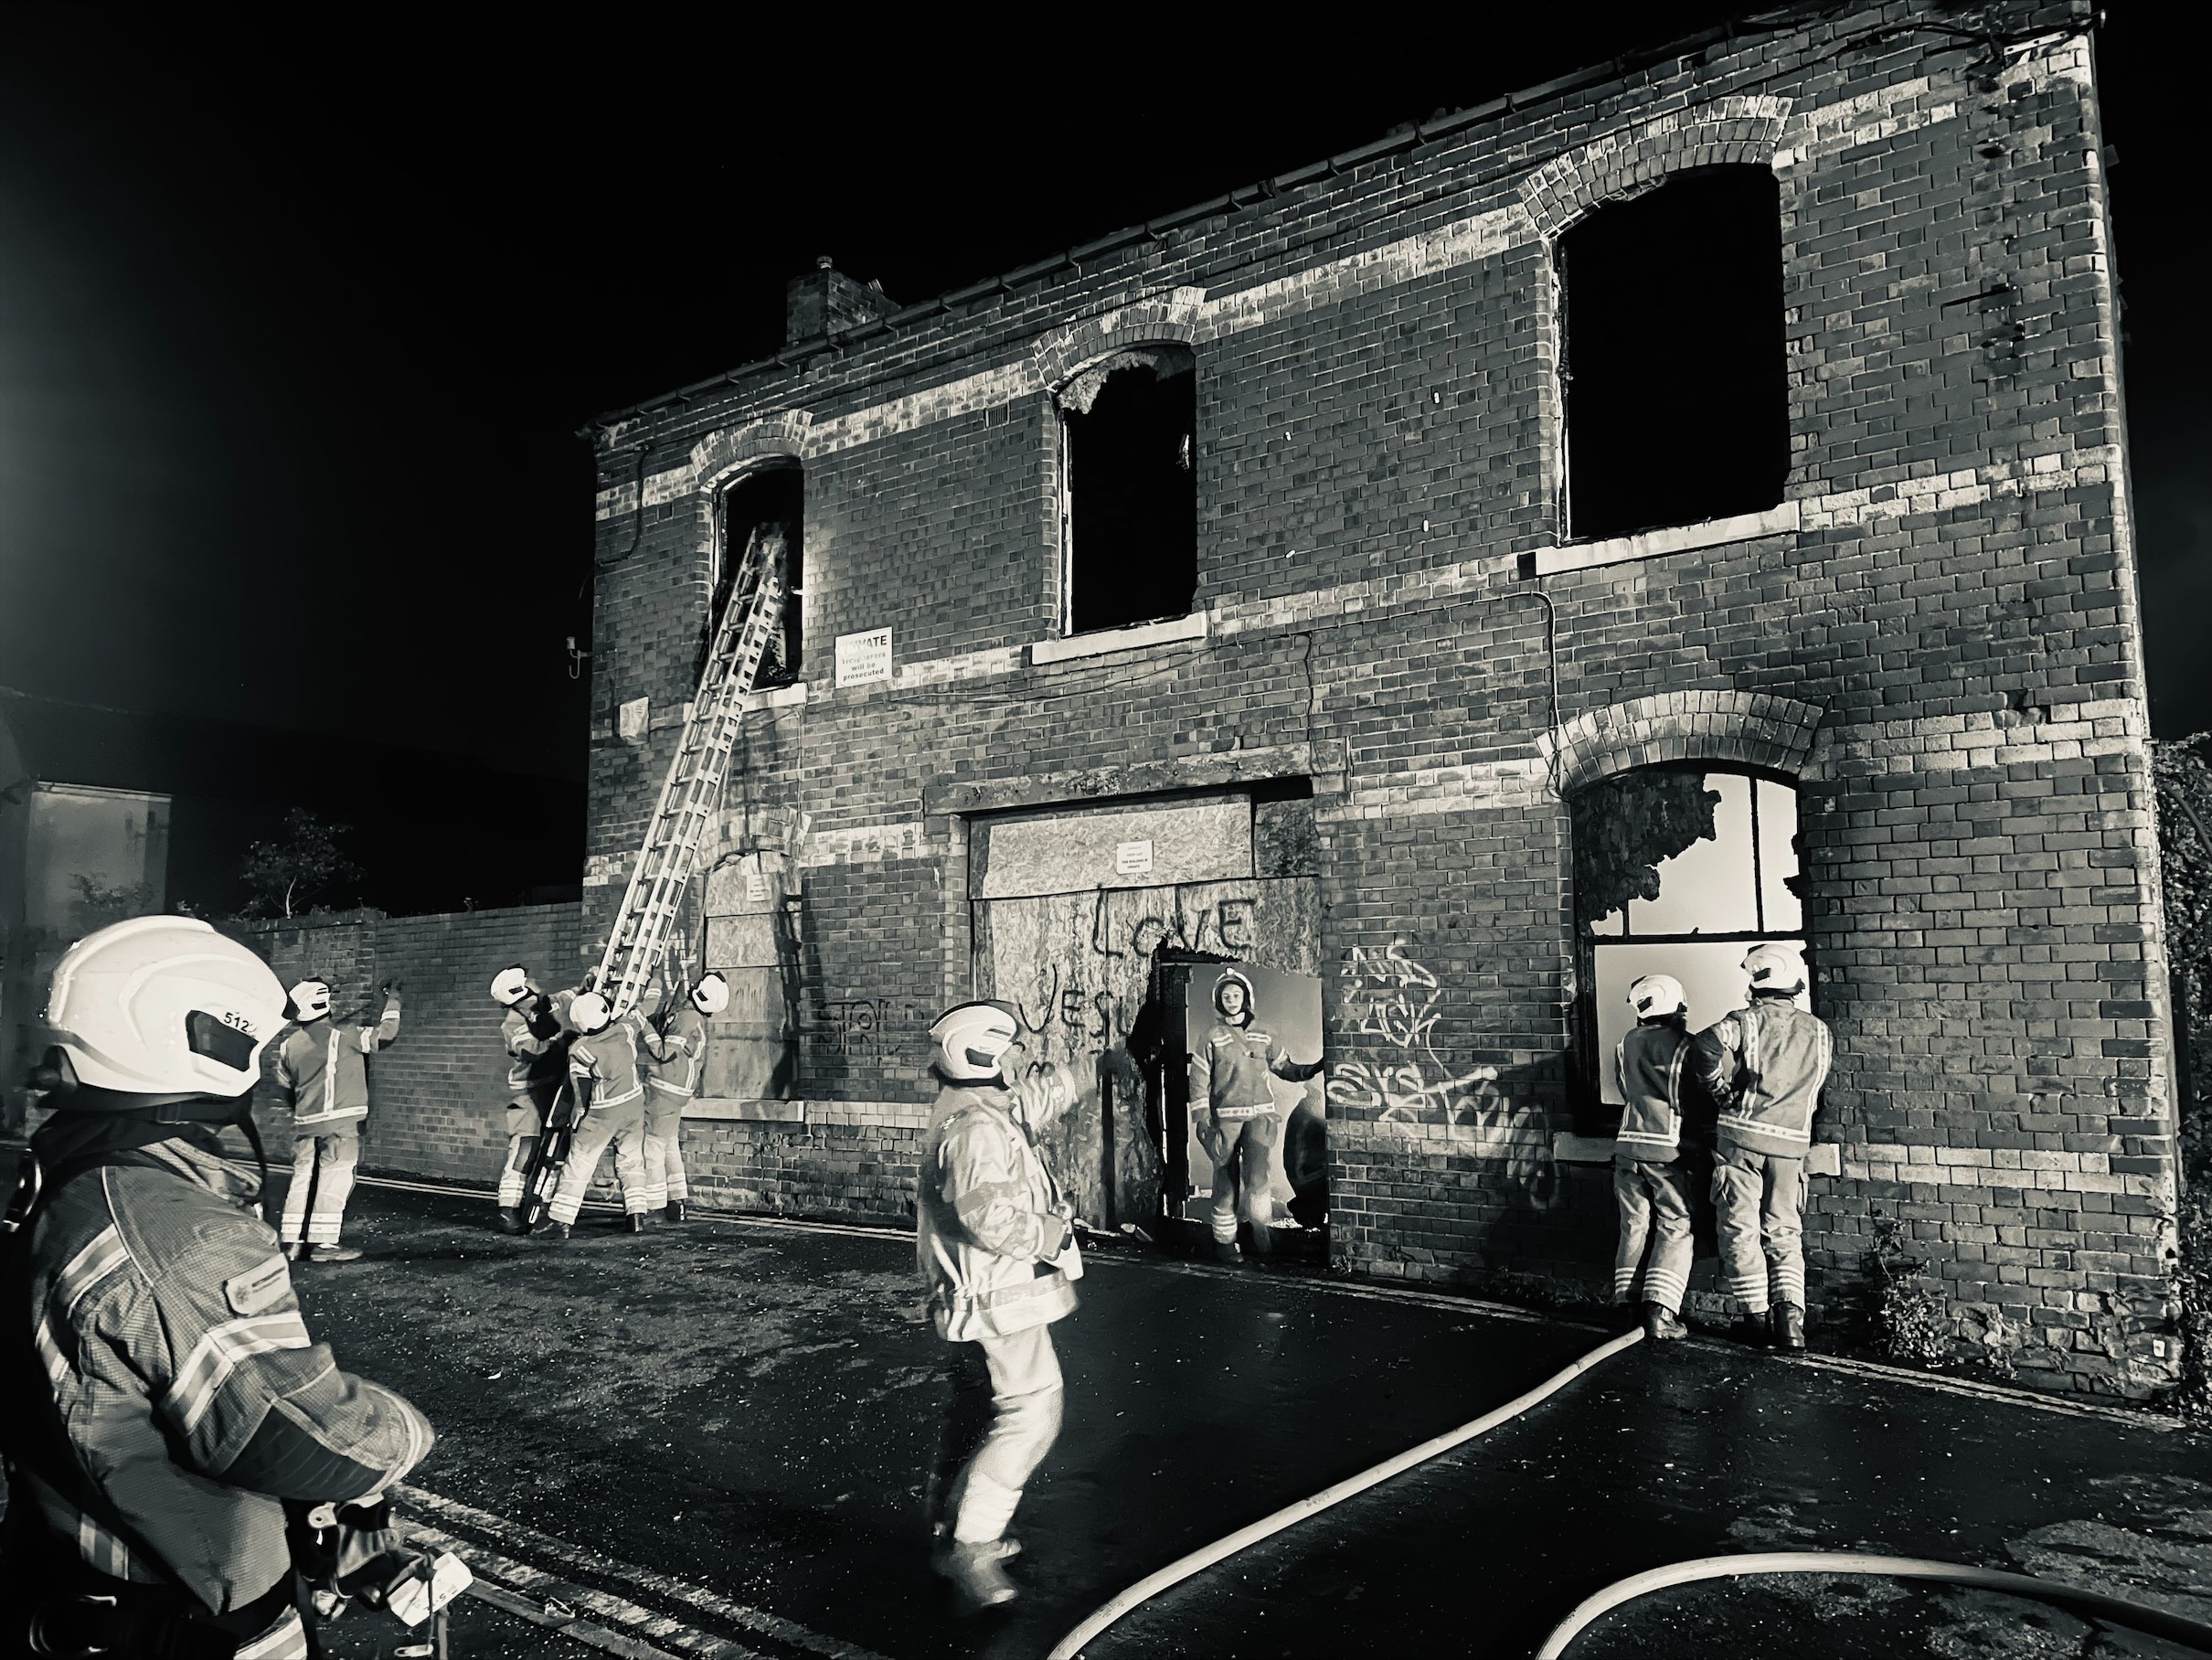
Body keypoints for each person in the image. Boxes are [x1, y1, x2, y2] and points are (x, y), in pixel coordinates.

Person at [0, 916, 439, 1657]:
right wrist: (405, 1436)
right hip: (184, 1606)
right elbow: (284, 1431)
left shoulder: (73, 1174)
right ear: (207, 1038)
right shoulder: (176, 1229)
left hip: (71, 1558)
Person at [917, 999, 1091, 1613]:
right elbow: (987, 1216)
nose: (1020, 1056)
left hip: (984, 1293)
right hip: (996, 1295)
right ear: (981, 1053)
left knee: (977, 1414)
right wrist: (1049, 1234)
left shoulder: (982, 1109)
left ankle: (956, 1529)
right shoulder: (976, 1128)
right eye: (1011, 1047)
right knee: (1032, 1413)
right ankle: (973, 1545)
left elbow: (1034, 1102)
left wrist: (1092, 1070)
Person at [1693, 943, 1834, 1350]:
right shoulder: (1820, 1032)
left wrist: (1719, 1090)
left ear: (1757, 983)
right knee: (1785, 1231)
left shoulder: (1745, 1021)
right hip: (1791, 1148)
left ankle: (1754, 1318)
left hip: (1741, 1139)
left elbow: (1704, 1047)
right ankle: (1790, 1323)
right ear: (1794, 984)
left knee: (1740, 1228)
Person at [1189, 968, 1324, 1262]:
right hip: (1225, 1120)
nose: (1232, 1000)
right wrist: (1201, 1119)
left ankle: (1262, 1239)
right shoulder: (1211, 1037)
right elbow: (1198, 1079)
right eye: (1226, 996)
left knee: (1258, 1180)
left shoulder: (1264, 1033)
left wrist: (1311, 1069)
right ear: (1219, 1001)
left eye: (1236, 995)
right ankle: (1224, 1244)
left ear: (1246, 998)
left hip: (1260, 1120)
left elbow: (1284, 1066)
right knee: (1225, 1182)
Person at [270, 974, 401, 1263]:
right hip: (342, 1127)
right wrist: (393, 1000)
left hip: (306, 1126)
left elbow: (285, 1088)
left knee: (302, 1181)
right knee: (334, 1183)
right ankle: (324, 1246)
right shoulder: (346, 1035)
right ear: (324, 1003)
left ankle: (291, 1243)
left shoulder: (288, 1046)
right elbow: (387, 1035)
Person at [1611, 973, 1694, 1341]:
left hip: (1627, 1145)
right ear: (1677, 1006)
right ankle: (1661, 1311)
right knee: (1676, 1225)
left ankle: (1626, 1308)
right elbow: (1695, 1100)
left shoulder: (1625, 1043)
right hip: (1668, 1148)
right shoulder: (1685, 1045)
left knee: (1634, 1224)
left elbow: (1625, 1089)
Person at [537, 990, 653, 1240]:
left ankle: (561, 1219)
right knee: (632, 1160)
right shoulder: (625, 1030)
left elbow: (582, 1089)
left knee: (580, 1161)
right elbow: (643, 1012)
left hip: (603, 1111)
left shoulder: (580, 1049)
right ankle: (636, 1215)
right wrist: (651, 985)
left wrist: (579, 1114)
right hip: (633, 1104)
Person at [637, 973, 726, 1222]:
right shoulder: (690, 1018)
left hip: (664, 1088)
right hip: (677, 1091)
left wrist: (641, 1021)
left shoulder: (687, 1018)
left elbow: (664, 1052)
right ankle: (677, 1202)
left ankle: (654, 1206)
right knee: (668, 1144)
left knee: (652, 1147)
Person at [491, 964, 567, 1234]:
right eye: (528, 983)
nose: (535, 984)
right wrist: (560, 1041)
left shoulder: (540, 1006)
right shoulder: (513, 1022)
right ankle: (507, 1209)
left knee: (554, 1149)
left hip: (553, 1087)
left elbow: (567, 999)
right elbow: (532, 1052)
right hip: (529, 1091)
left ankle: (540, 1204)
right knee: (526, 1148)